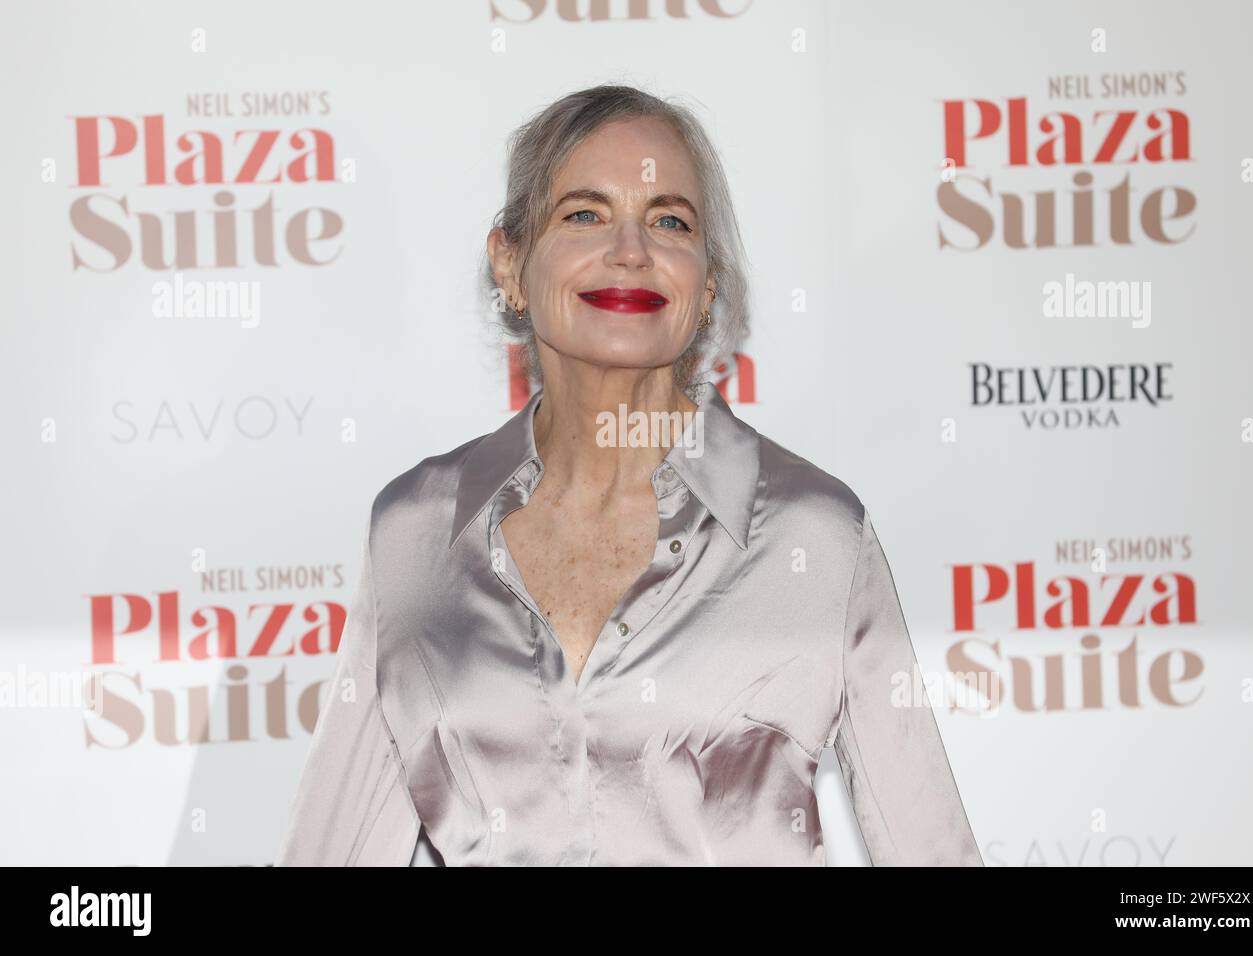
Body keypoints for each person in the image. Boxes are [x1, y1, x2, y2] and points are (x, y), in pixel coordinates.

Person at [276, 83, 982, 866]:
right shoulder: (414, 531)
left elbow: (930, 847)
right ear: (509, 261)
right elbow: (331, 849)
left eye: (669, 221)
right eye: (584, 213)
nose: (630, 251)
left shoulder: (815, 536)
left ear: (706, 282)